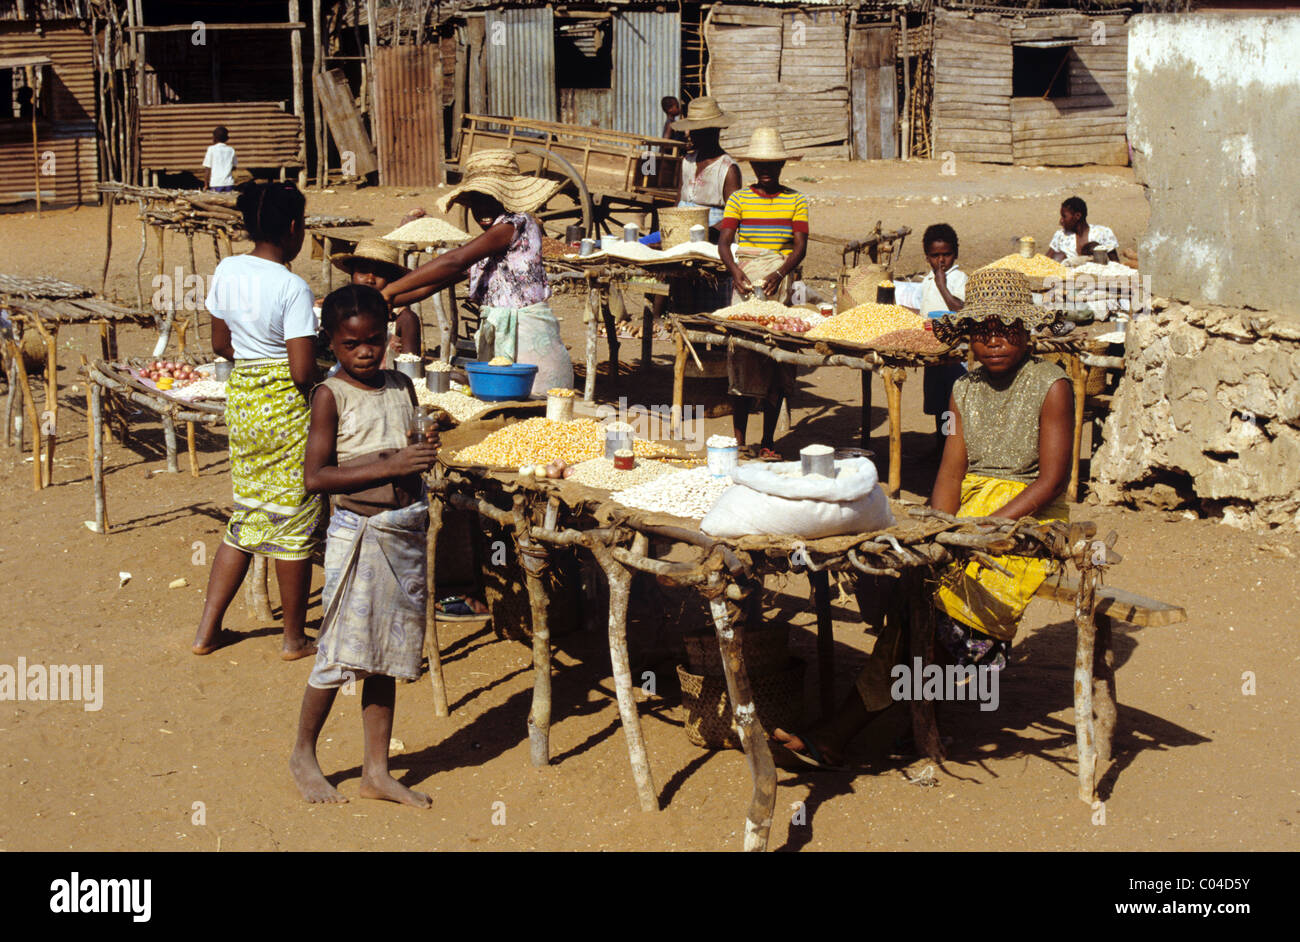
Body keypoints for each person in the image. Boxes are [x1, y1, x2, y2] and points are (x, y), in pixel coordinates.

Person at [770, 268, 1073, 769]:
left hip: (1028, 515)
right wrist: (935, 531)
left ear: (1026, 331)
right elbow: (952, 470)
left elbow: (1052, 480)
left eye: (1007, 329)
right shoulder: (963, 390)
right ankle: (872, 720)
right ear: (969, 335)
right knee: (913, 583)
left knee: (944, 606)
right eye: (983, 330)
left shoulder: (1051, 384)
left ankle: (841, 731)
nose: (994, 341)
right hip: (970, 512)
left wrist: (982, 531)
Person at [289, 284, 439, 806]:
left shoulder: (401, 385)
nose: (367, 352)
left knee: (387, 656)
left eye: (376, 340)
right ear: (332, 342)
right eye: (353, 344)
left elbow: (407, 447)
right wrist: (390, 466)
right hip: (358, 536)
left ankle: (377, 770)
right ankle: (304, 753)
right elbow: (316, 476)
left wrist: (418, 453)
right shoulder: (331, 396)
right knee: (337, 653)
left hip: (402, 531)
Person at [192, 182, 323, 659]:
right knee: (294, 519)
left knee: (247, 514)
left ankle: (207, 632)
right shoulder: (293, 287)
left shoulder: (226, 269)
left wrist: (253, 351)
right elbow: (302, 371)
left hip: (244, 402)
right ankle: (293, 637)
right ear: (293, 229)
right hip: (285, 408)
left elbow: (220, 345)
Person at [379, 150, 574, 398]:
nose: (482, 208)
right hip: (502, 339)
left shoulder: (514, 225)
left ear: (507, 196)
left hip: (528, 338)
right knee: (501, 406)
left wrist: (389, 290)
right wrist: (387, 301)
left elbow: (453, 261)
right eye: (475, 201)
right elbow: (438, 282)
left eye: (489, 199)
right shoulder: (489, 244)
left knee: (534, 406)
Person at [718, 127, 808, 460]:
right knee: (741, 355)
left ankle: (769, 441)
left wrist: (779, 272)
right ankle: (740, 441)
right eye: (760, 164)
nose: (767, 170)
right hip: (746, 284)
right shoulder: (739, 199)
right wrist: (736, 272)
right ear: (753, 165)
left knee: (777, 359)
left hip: (779, 287)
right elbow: (724, 243)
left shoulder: (796, 199)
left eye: (773, 164)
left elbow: (800, 248)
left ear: (783, 164)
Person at [906, 223, 968, 453]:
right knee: (938, 403)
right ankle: (941, 446)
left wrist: (943, 285)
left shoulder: (958, 279)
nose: (941, 261)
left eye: (946, 255)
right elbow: (925, 313)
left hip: (954, 352)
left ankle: (951, 450)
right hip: (932, 350)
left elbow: (960, 309)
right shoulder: (926, 281)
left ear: (955, 254)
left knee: (953, 405)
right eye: (935, 256)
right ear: (927, 257)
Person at [330, 239, 422, 363]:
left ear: (391, 279)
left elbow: (411, 367)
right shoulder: (340, 309)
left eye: (379, 273)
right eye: (363, 271)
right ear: (352, 273)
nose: (370, 280)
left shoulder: (404, 318)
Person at [670, 96, 742, 234]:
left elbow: (734, 215)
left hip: (712, 235)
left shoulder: (727, 169)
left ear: (713, 132)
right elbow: (679, 197)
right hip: (680, 230)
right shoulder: (687, 161)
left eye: (697, 131)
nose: (690, 135)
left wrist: (708, 233)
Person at [1046, 196, 1118, 263]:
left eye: (1064, 217)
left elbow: (1116, 264)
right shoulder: (1061, 236)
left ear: (1077, 216)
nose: (1061, 221)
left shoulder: (1102, 233)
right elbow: (1045, 262)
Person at [203, 126, 237, 193]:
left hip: (216, 183)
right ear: (227, 138)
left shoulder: (211, 149)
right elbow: (234, 167)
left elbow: (207, 169)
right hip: (229, 183)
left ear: (214, 137)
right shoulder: (231, 150)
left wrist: (206, 185)